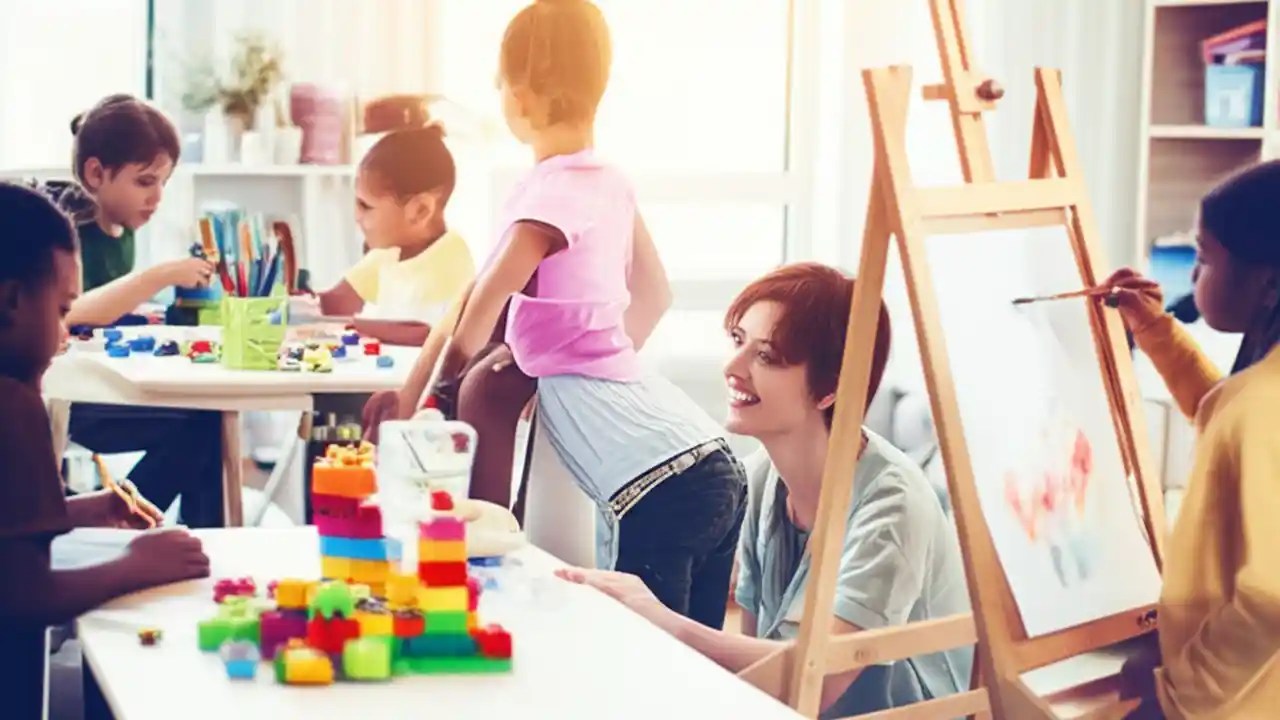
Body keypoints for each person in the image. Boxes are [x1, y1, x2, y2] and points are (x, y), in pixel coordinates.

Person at [365, 0, 746, 630]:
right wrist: (595, 349)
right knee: (701, 667)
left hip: (661, 491)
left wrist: (442, 388)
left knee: (650, 663)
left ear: (519, 94)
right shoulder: (610, 181)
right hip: (711, 457)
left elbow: (484, 296)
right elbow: (656, 294)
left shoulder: (547, 187)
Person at [559, 263, 973, 717]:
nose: (733, 368)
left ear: (831, 389)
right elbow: (763, 668)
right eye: (738, 341)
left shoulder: (892, 507)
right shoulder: (762, 478)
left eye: (768, 356)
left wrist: (665, 622)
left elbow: (814, 685)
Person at [0, 183, 211, 720]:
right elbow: (23, 597)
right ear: (12, 301)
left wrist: (76, 511)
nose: (63, 336)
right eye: (63, 310)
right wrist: (136, 564)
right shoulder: (11, 403)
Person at [1106, 160, 1280, 719]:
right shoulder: (1256, 394)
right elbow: (1222, 417)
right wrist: (1156, 331)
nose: (1193, 275)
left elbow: (1271, 595)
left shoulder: (1261, 404)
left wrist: (1179, 690)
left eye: (1202, 257)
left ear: (1268, 284)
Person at [40, 94, 224, 527]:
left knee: (211, 417)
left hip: (101, 379)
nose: (157, 197)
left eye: (163, 183)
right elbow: (72, 311)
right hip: (73, 392)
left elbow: (105, 310)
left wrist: (143, 313)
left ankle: (166, 525)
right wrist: (158, 275)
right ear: (96, 174)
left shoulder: (121, 232)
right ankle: (128, 518)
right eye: (145, 182)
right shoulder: (70, 231)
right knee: (202, 427)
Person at [314, 122, 474, 347]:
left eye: (365, 206)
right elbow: (334, 304)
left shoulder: (450, 256)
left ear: (420, 210)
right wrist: (293, 303)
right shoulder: (387, 252)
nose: (356, 216)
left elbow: (428, 334)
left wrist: (356, 327)